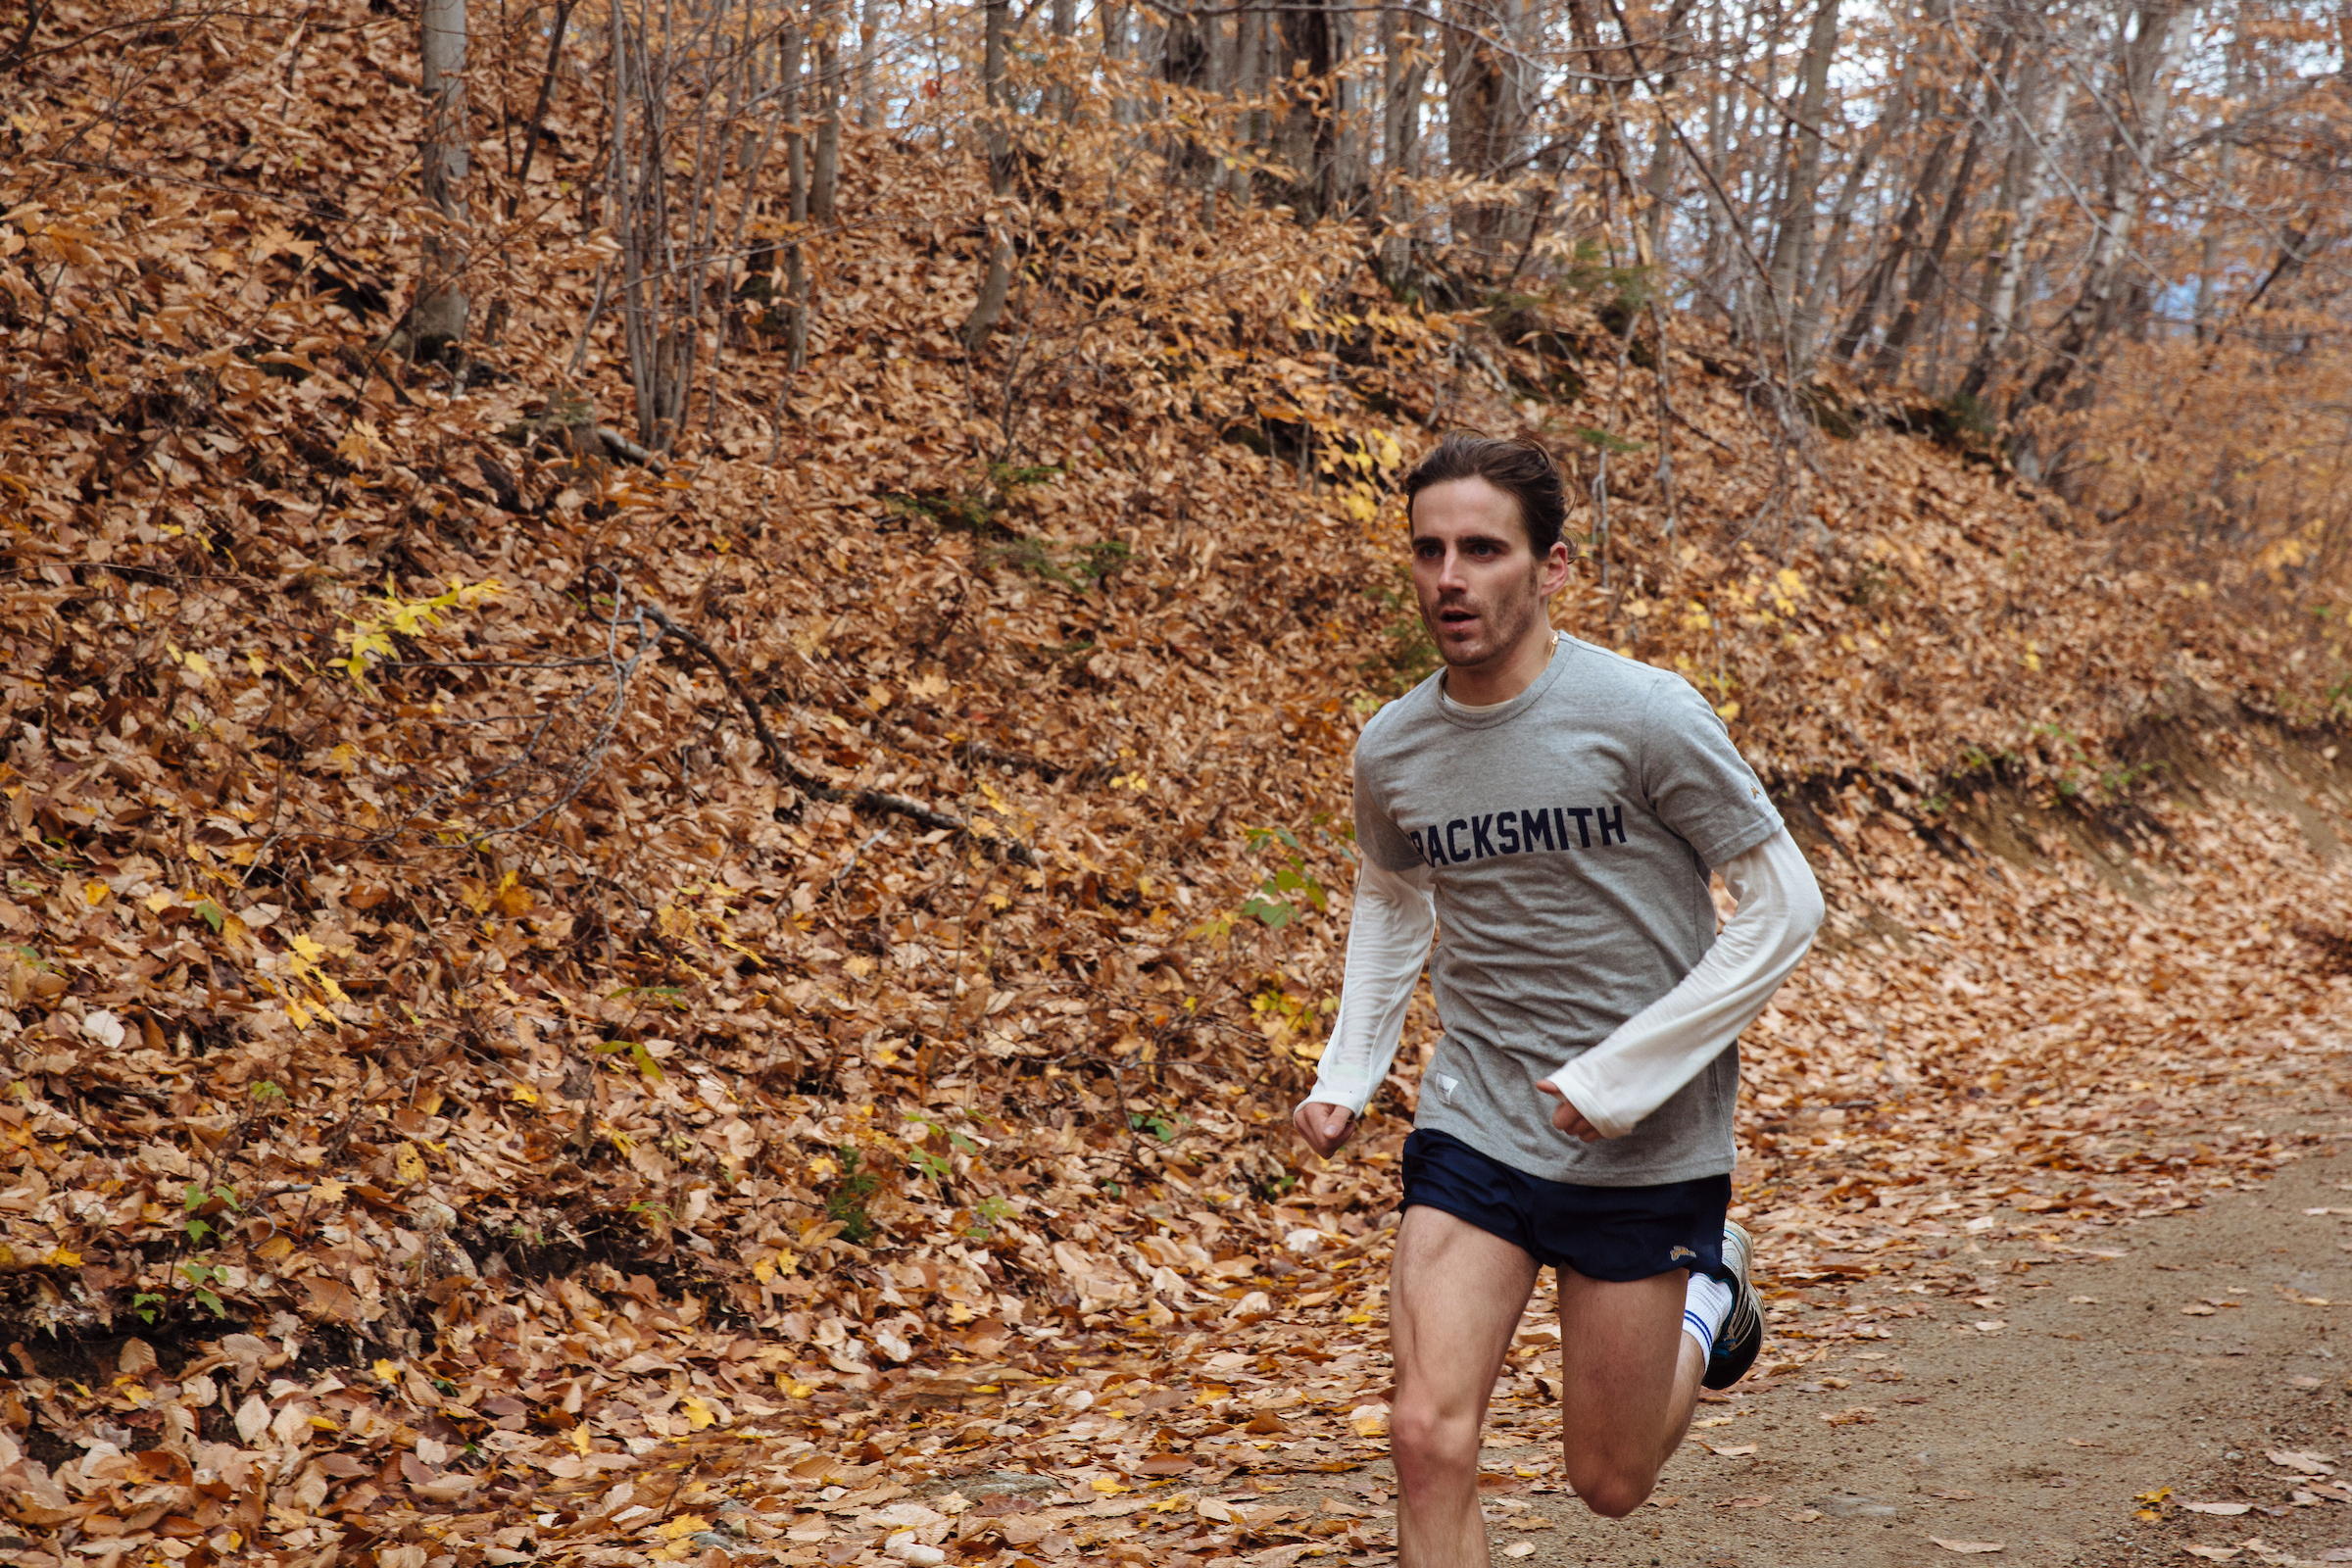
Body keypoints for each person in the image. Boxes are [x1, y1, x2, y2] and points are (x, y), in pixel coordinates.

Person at [1293, 433, 1825, 1564]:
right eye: (1429, 550)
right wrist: (1351, 1066)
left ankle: (1708, 1295)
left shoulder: (1645, 715)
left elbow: (1786, 904)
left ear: (1553, 567)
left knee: (1610, 1480)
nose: (1450, 577)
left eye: (1483, 549)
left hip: (1647, 1137)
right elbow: (1392, 899)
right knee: (1425, 1436)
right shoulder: (1394, 747)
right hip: (1478, 1109)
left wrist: (1622, 1077)